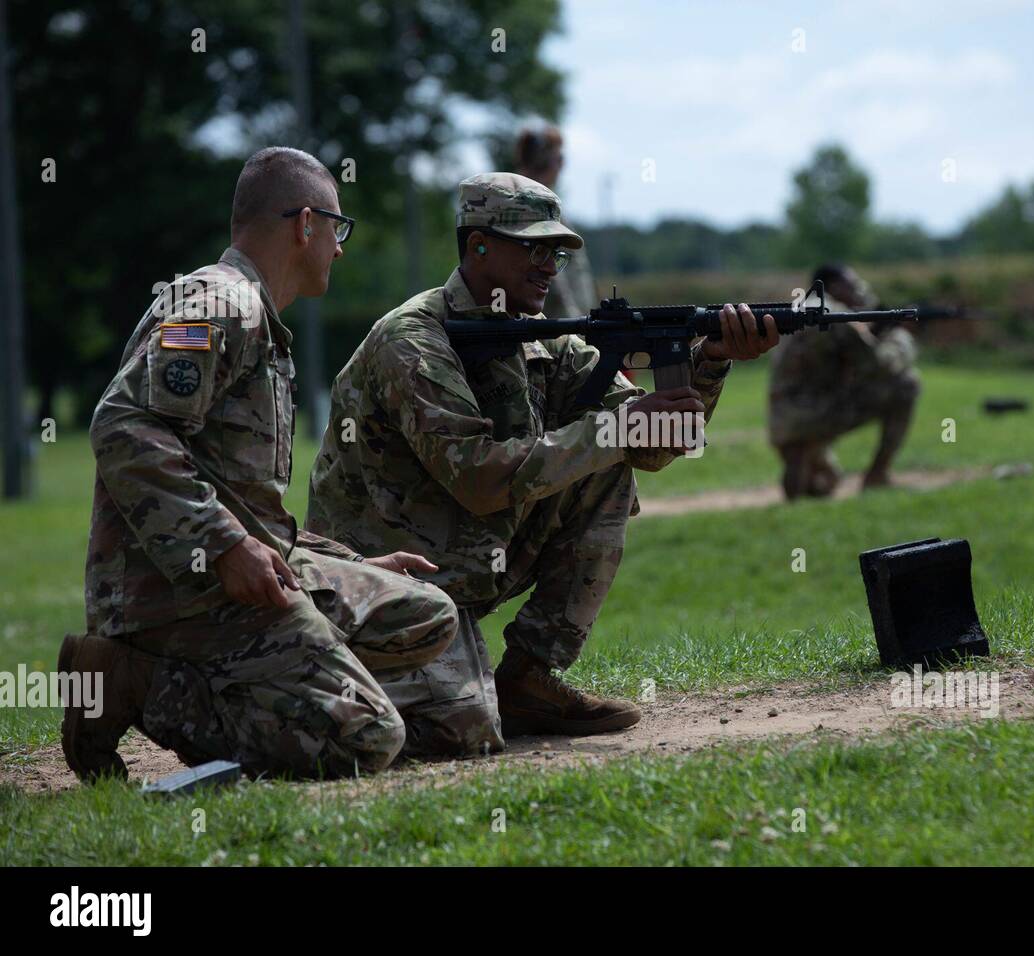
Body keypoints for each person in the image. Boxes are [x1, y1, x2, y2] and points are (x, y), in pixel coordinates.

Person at [61, 147, 492, 783]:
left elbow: (242, 497)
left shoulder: (255, 317)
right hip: (180, 595)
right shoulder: (219, 305)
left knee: (424, 612)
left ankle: (277, 683)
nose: (339, 249)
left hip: (233, 573)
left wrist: (344, 564)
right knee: (369, 738)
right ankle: (133, 680)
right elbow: (125, 426)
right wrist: (225, 546)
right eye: (337, 229)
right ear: (305, 224)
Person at [307, 172, 776, 738]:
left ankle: (528, 677)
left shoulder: (544, 338)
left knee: (610, 466)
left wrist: (711, 361)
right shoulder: (412, 340)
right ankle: (357, 672)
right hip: (383, 583)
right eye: (533, 246)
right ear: (477, 245)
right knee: (464, 730)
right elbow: (478, 478)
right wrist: (617, 430)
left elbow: (651, 448)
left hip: (469, 557)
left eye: (556, 250)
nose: (549, 264)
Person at [768, 264, 920, 500]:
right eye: (852, 285)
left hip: (782, 418)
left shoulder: (802, 308)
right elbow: (879, 367)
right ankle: (877, 476)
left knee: (826, 483)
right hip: (814, 414)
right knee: (907, 384)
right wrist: (900, 338)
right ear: (836, 287)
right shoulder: (836, 315)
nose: (858, 290)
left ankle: (807, 457)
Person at [513, 125, 598, 319]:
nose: (562, 167)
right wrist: (576, 334)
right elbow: (557, 288)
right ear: (549, 162)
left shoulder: (530, 201)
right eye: (560, 159)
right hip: (559, 332)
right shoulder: (535, 206)